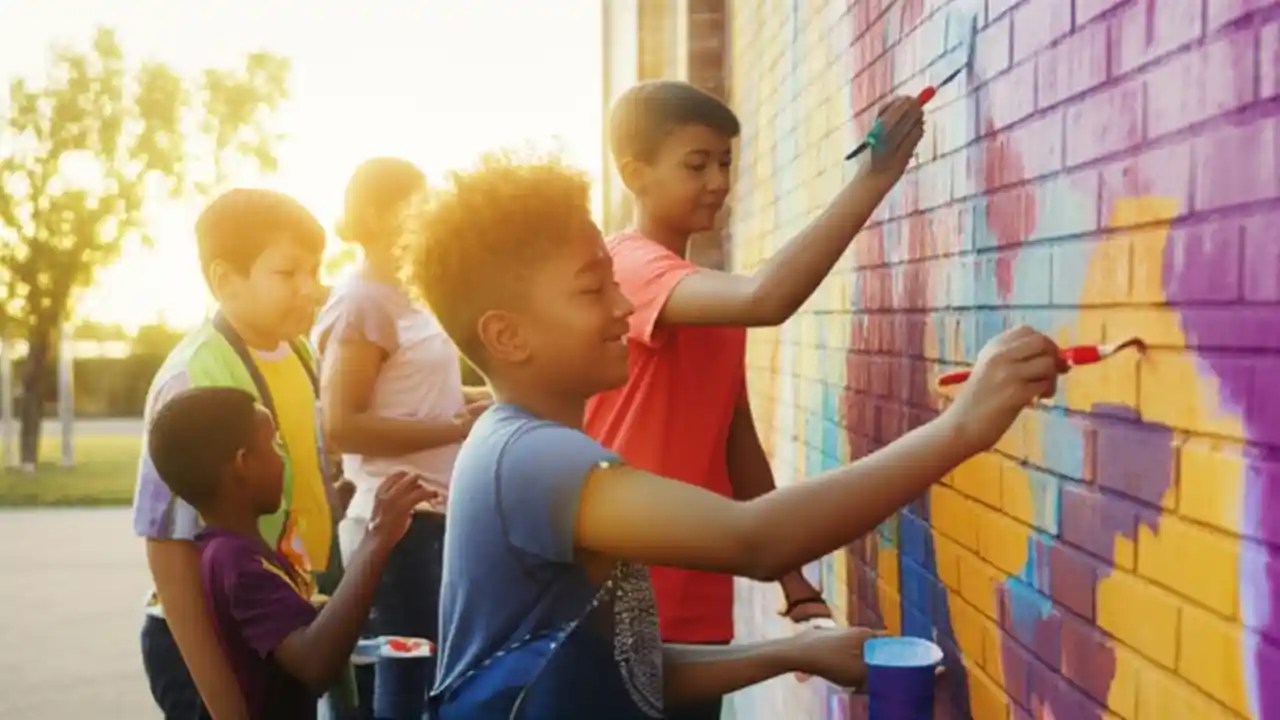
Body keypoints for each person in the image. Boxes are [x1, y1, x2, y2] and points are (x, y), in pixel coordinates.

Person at [411, 152, 1064, 719]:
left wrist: (789, 650)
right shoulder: (532, 459)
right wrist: (963, 427)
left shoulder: (526, 447)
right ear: (507, 336)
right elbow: (754, 538)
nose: (623, 305)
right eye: (591, 289)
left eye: (613, 280)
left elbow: (628, 665)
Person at [583, 80, 926, 720]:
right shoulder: (628, 269)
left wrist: (795, 584)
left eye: (725, 162)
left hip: (697, 600)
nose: (718, 181)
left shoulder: (702, 293)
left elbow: (735, 442)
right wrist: (873, 181)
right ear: (636, 174)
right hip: (626, 593)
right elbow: (766, 299)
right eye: (696, 164)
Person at [131, 188, 334, 719]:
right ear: (225, 280)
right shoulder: (190, 377)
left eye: (315, 270)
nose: (310, 288)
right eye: (288, 274)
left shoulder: (299, 351)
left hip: (274, 623)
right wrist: (225, 707)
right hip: (205, 641)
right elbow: (167, 545)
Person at [312, 157, 489, 716]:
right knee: (402, 689)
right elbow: (343, 426)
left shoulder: (412, 294)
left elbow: (415, 393)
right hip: (395, 529)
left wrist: (487, 399)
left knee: (435, 681)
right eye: (418, 204)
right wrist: (454, 428)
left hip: (435, 519)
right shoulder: (361, 302)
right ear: (377, 216)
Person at [147, 386, 434, 720]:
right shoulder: (238, 564)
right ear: (243, 463)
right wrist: (377, 539)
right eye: (275, 445)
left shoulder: (221, 551)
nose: (283, 457)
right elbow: (314, 662)